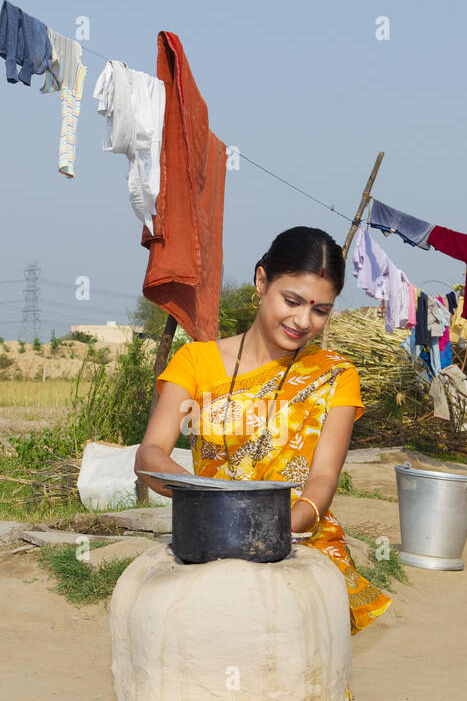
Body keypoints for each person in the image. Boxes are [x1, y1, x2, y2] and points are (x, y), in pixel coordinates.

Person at [135, 226, 392, 636]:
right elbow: (150, 455)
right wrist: (211, 506)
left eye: (320, 310)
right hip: (211, 536)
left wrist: (279, 529)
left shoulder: (335, 376)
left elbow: (323, 477)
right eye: (291, 300)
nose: (303, 321)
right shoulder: (196, 361)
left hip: (298, 539)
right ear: (261, 281)